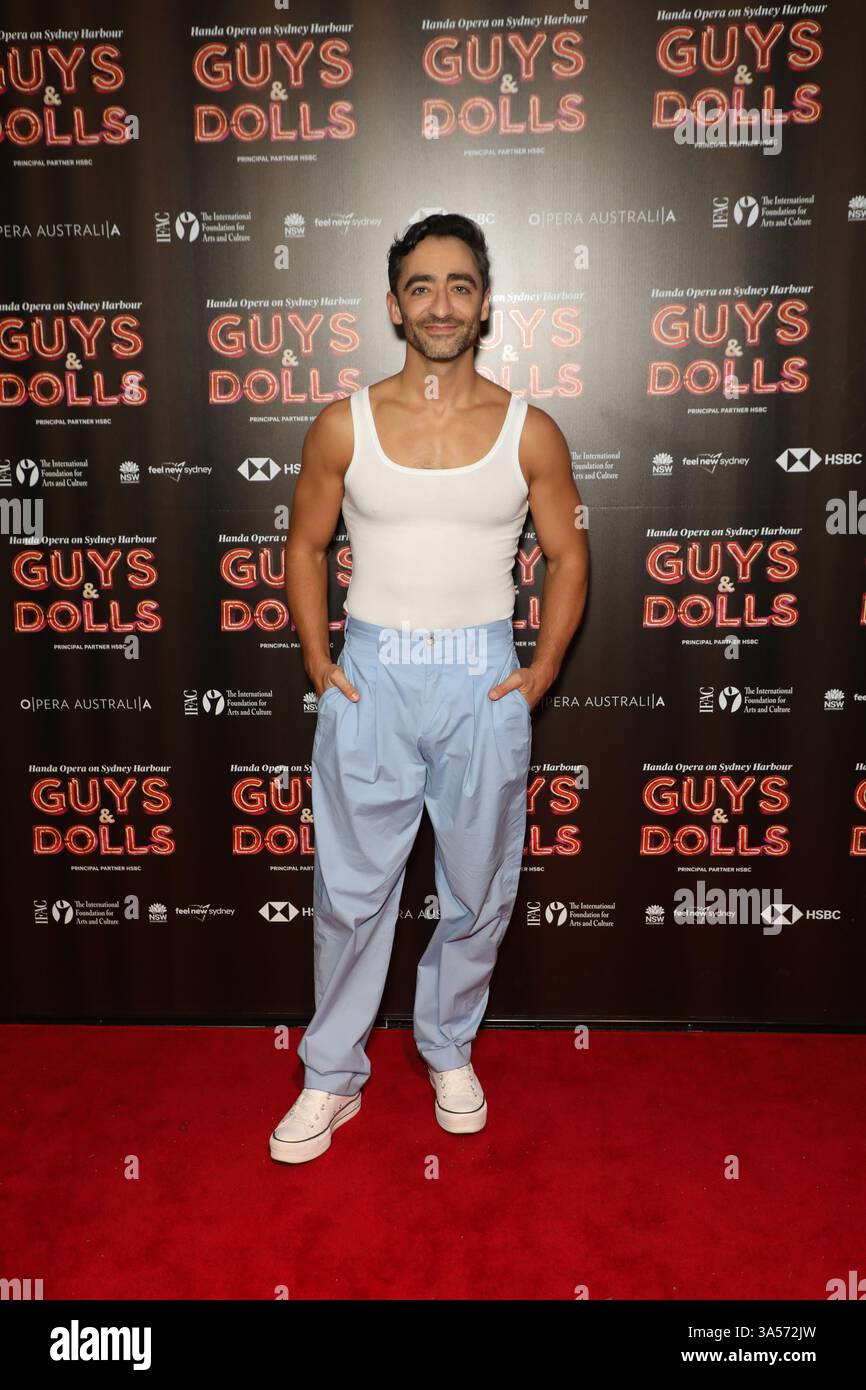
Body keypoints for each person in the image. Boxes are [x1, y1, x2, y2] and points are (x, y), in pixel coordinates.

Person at [272, 212, 589, 1164]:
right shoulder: (344, 423)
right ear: (394, 304)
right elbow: (305, 543)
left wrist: (540, 670)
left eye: (459, 285)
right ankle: (332, 1076)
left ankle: (448, 1047)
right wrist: (320, 659)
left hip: (482, 677)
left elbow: (570, 555)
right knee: (351, 891)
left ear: (485, 304)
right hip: (373, 671)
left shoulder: (530, 429)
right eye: (421, 286)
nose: (441, 303)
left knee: (478, 885)